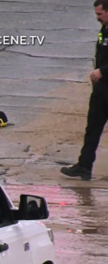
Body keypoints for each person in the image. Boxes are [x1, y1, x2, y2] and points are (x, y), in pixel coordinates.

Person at [61, 0, 108, 181]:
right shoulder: (104, 29)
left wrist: (102, 71)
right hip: (101, 89)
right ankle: (84, 166)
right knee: (92, 129)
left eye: (100, 14)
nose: (97, 18)